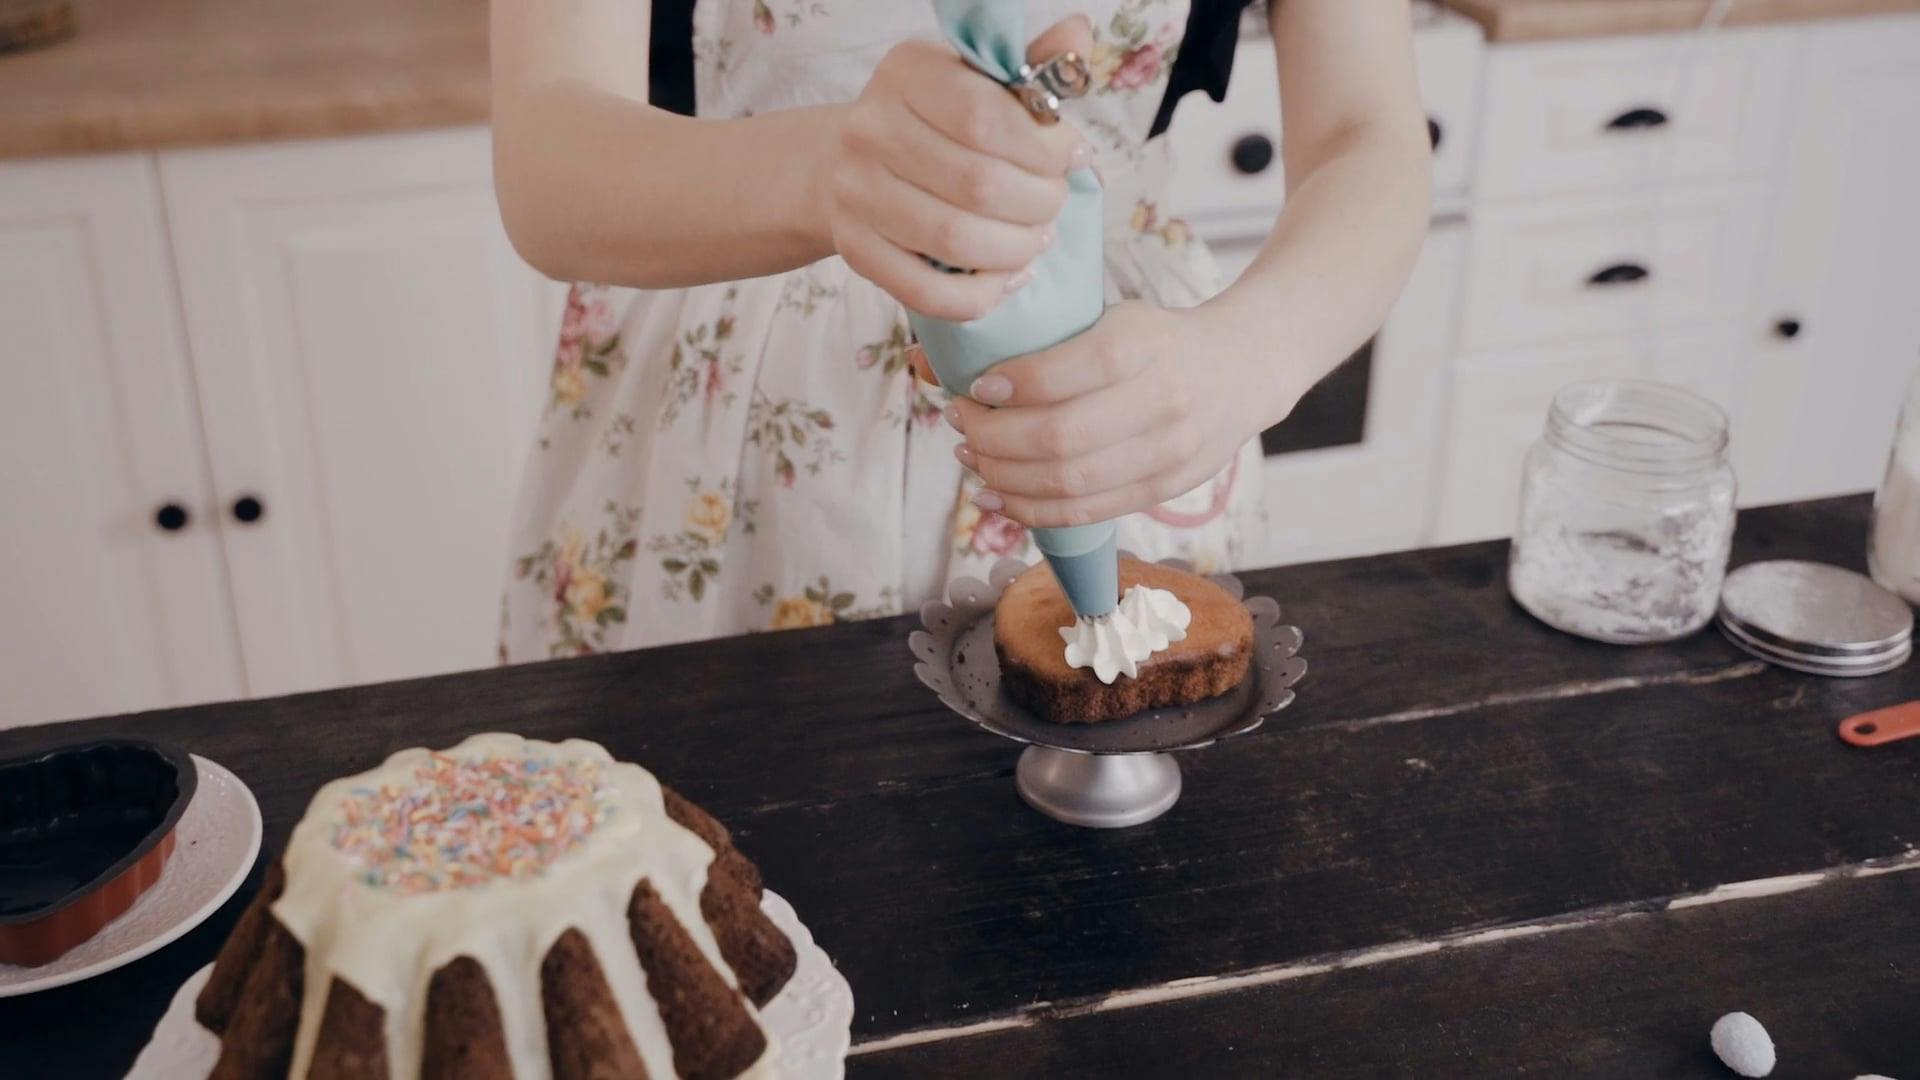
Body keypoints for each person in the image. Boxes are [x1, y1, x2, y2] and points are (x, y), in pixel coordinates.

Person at [491, 0, 1431, 659]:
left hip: (1139, 421)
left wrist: (1249, 356)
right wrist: (824, 170)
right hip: (721, 466)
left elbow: (1370, 133)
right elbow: (546, 162)